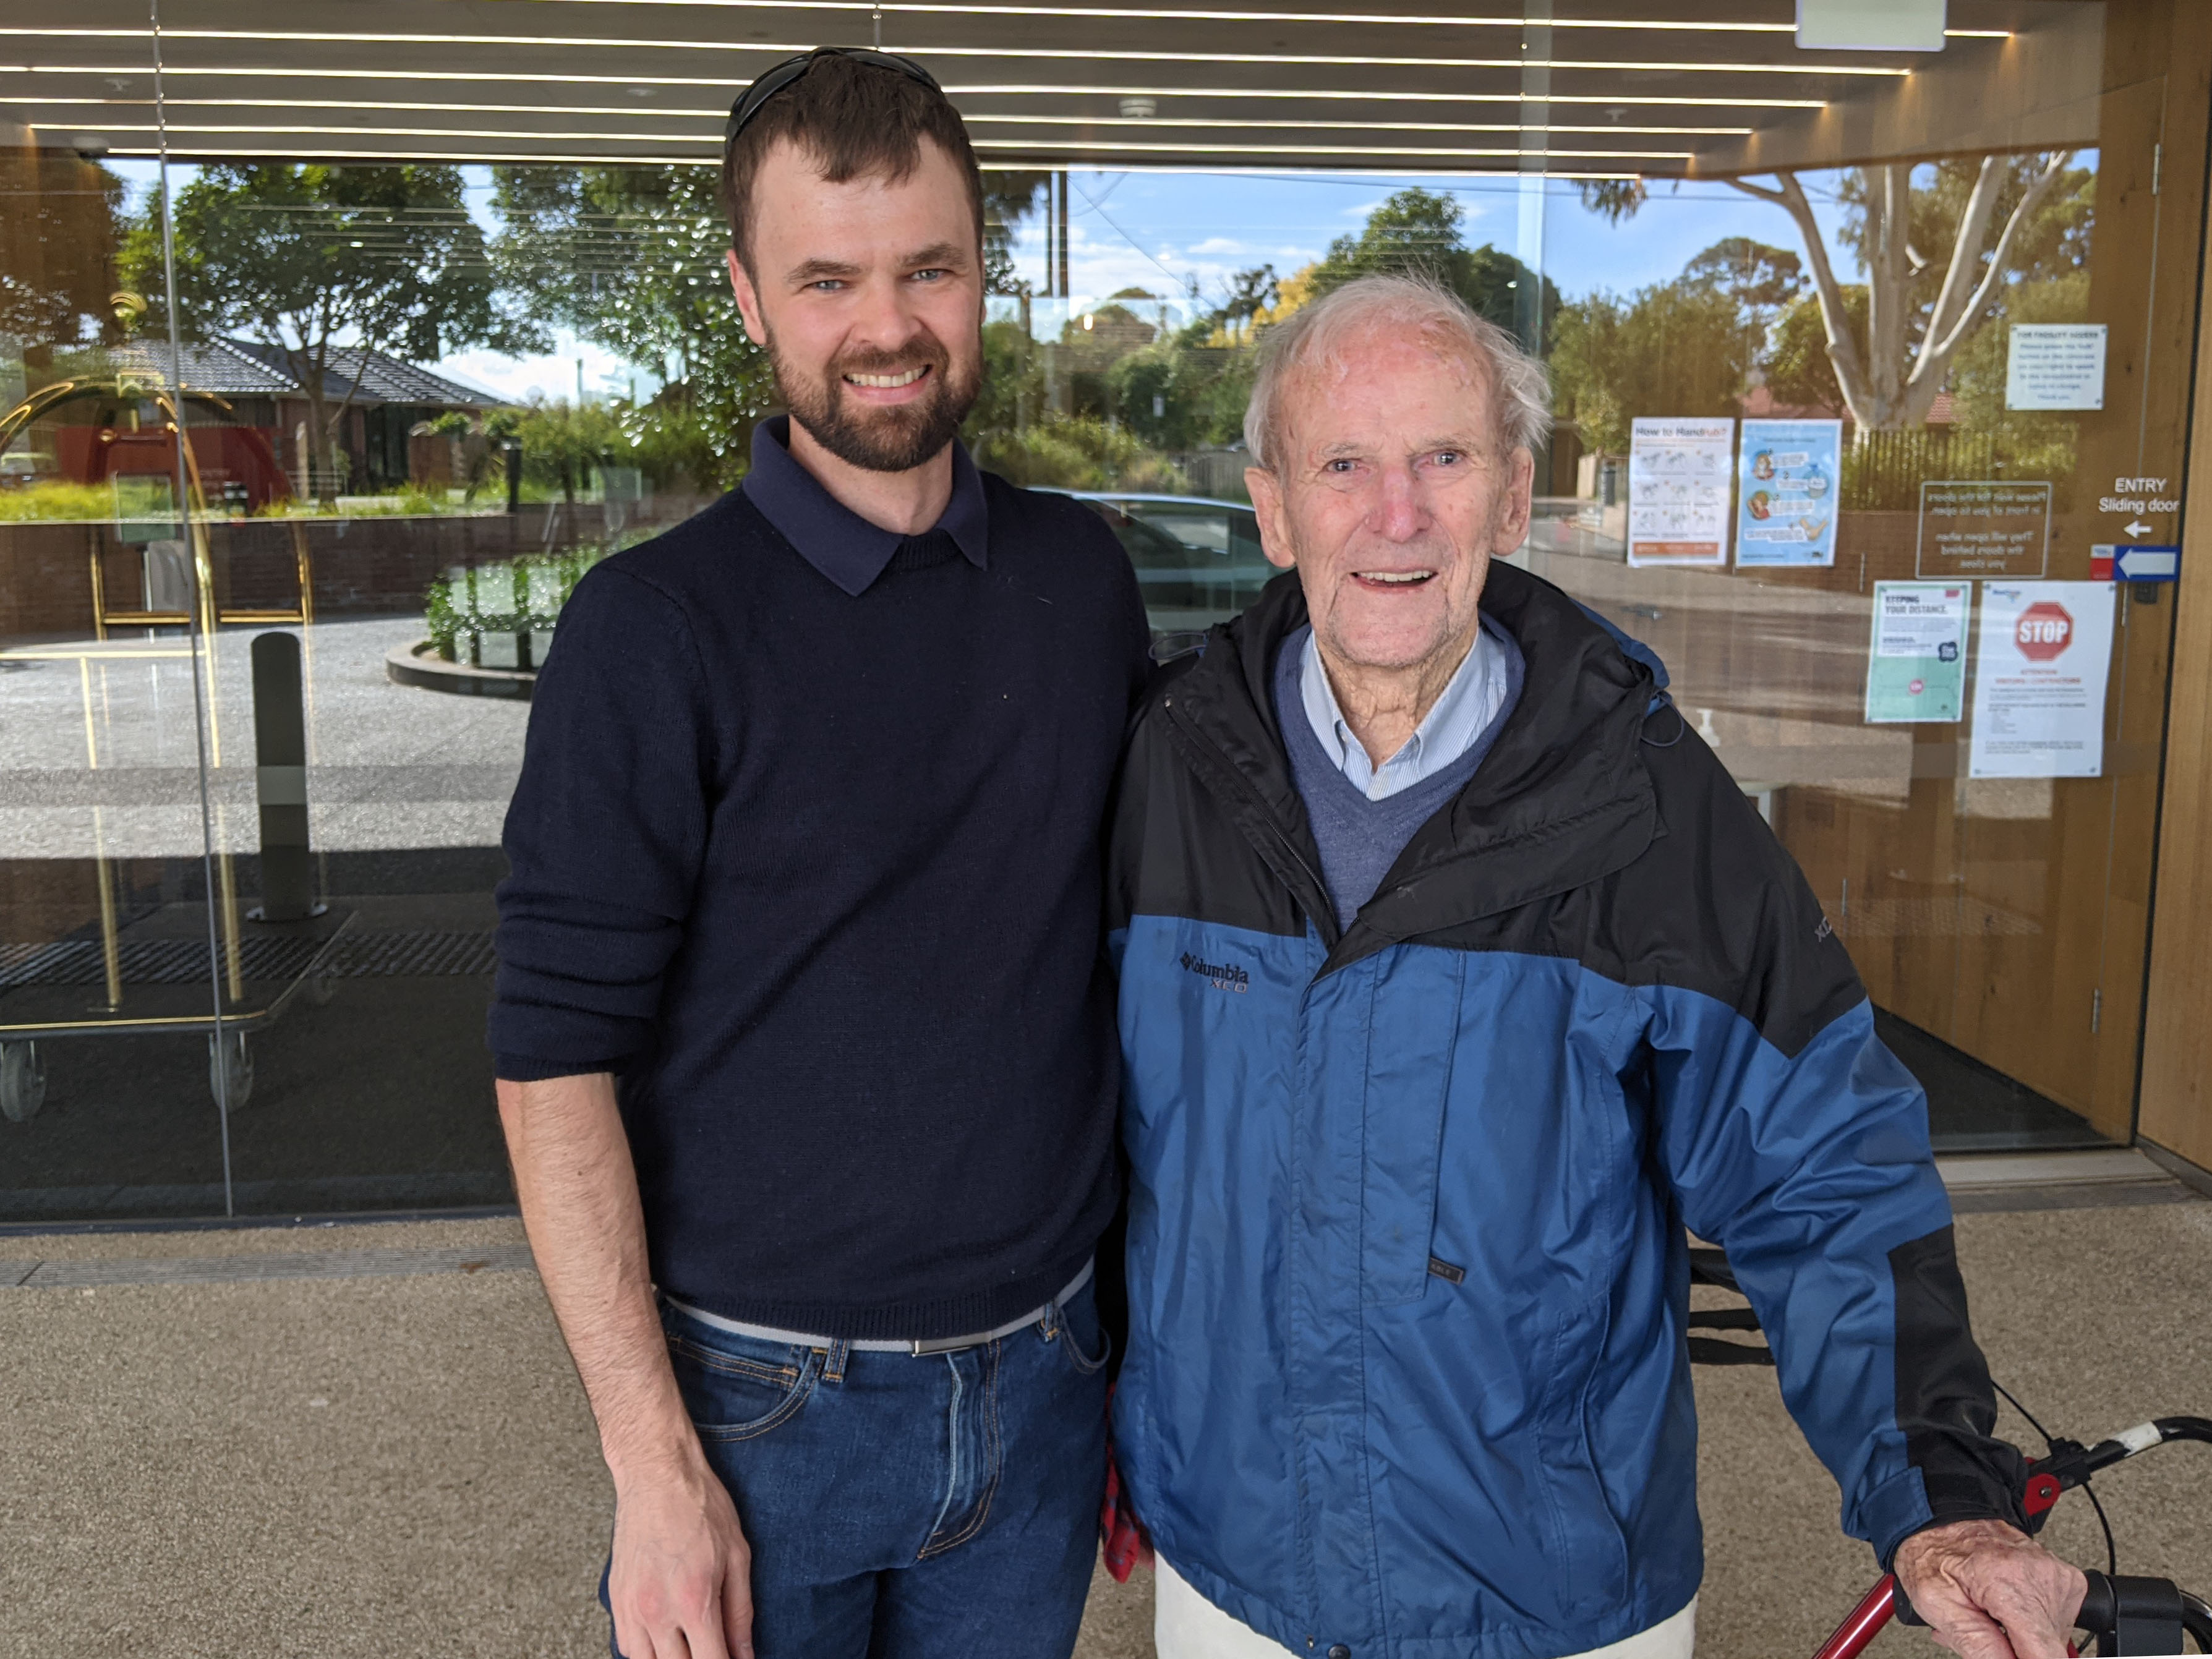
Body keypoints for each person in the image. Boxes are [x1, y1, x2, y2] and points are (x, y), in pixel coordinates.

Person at [1103, 274, 2085, 1659]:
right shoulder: (1163, 769)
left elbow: (1822, 1166)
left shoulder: (1646, 804)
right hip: (1233, 1569)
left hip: (1554, 1596)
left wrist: (1940, 1499)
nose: (1397, 516)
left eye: (1444, 458)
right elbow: (1072, 1129)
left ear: (1512, 500)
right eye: (1344, 464)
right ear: (1273, 509)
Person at [490, 48, 1150, 1659]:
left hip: (1048, 1383)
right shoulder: (650, 633)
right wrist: (650, 1468)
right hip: (758, 1405)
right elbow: (552, 1062)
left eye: (929, 266)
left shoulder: (1083, 582)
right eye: (828, 277)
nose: (887, 325)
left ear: (983, 266)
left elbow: (1141, 952)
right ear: (746, 294)